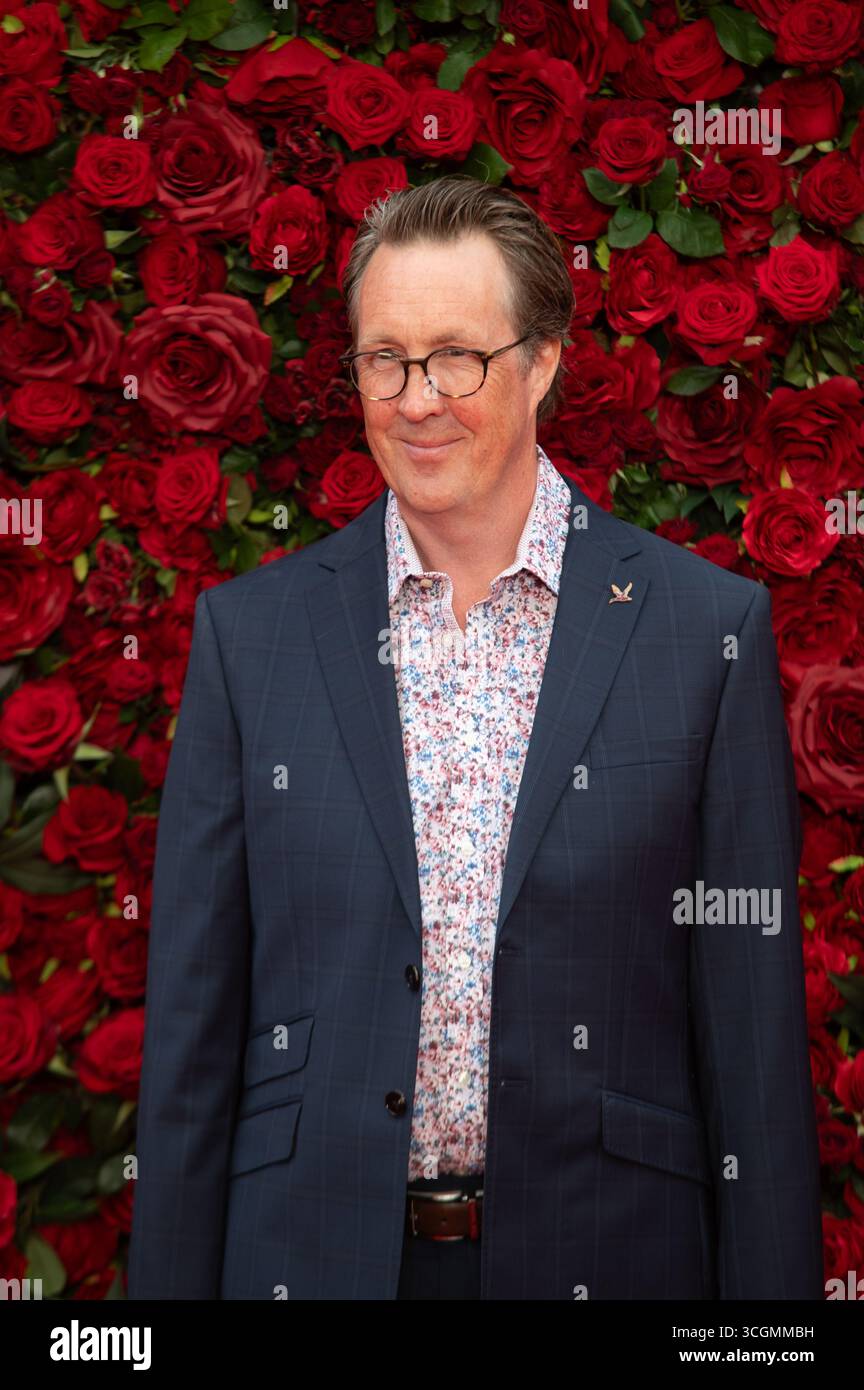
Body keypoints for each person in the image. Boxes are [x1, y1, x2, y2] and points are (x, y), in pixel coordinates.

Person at [127, 175, 824, 1301]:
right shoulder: (251, 640)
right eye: (384, 359)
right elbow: (193, 1045)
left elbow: (753, 1058)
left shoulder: (705, 635)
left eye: (458, 356)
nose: (417, 398)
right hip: (310, 1261)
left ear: (542, 361)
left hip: (609, 1255)